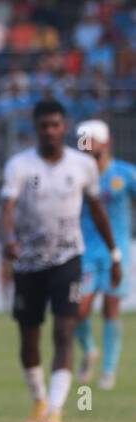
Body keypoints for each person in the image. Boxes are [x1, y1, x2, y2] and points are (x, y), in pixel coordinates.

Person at [0, 100, 119, 422]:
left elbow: (97, 210)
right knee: (29, 337)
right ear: (36, 128)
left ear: (64, 128)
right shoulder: (19, 165)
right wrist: (8, 239)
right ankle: (38, 398)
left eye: (55, 125)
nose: (50, 131)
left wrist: (115, 254)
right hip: (28, 264)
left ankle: (55, 410)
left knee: (64, 330)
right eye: (44, 126)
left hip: (68, 260)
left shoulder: (83, 165)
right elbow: (7, 209)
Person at [74, 119, 133, 390]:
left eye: (90, 139)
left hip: (116, 252)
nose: (85, 145)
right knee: (79, 309)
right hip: (84, 251)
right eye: (82, 140)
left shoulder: (125, 173)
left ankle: (108, 371)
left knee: (111, 308)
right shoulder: (76, 174)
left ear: (106, 142)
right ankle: (89, 349)